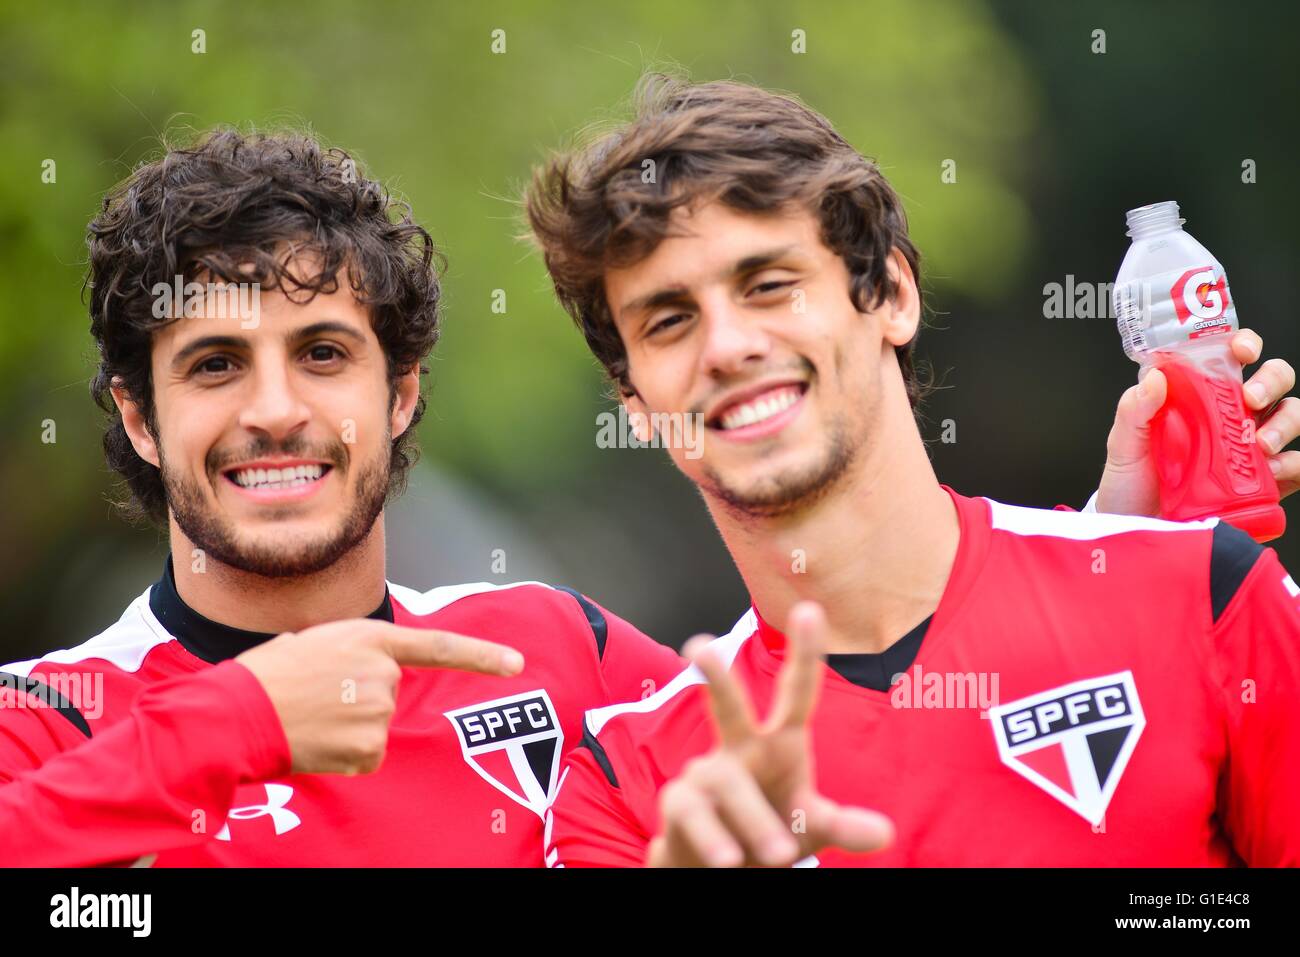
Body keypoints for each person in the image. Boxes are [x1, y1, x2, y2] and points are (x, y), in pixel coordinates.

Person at [526, 74, 1300, 867]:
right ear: (637, 402)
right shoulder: (624, 786)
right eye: (670, 320)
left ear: (891, 292)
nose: (726, 346)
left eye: (769, 285)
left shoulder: (1200, 589)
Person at [0, 130, 683, 866]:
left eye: (322, 354)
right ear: (141, 420)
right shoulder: (46, 718)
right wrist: (242, 723)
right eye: (217, 363)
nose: (275, 410)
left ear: (400, 394)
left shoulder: (562, 649)